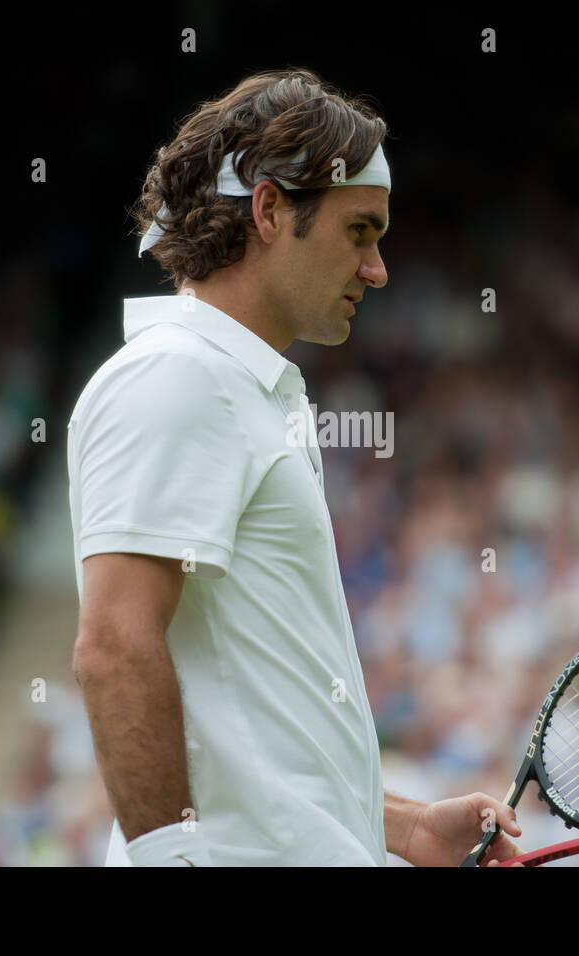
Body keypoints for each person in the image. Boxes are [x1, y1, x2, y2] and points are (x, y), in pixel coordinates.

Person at [66, 69, 522, 865]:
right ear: (271, 209)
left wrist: (405, 825)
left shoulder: (238, 387)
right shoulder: (178, 376)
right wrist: (171, 861)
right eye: (360, 232)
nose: (377, 269)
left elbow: (255, 718)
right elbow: (113, 648)